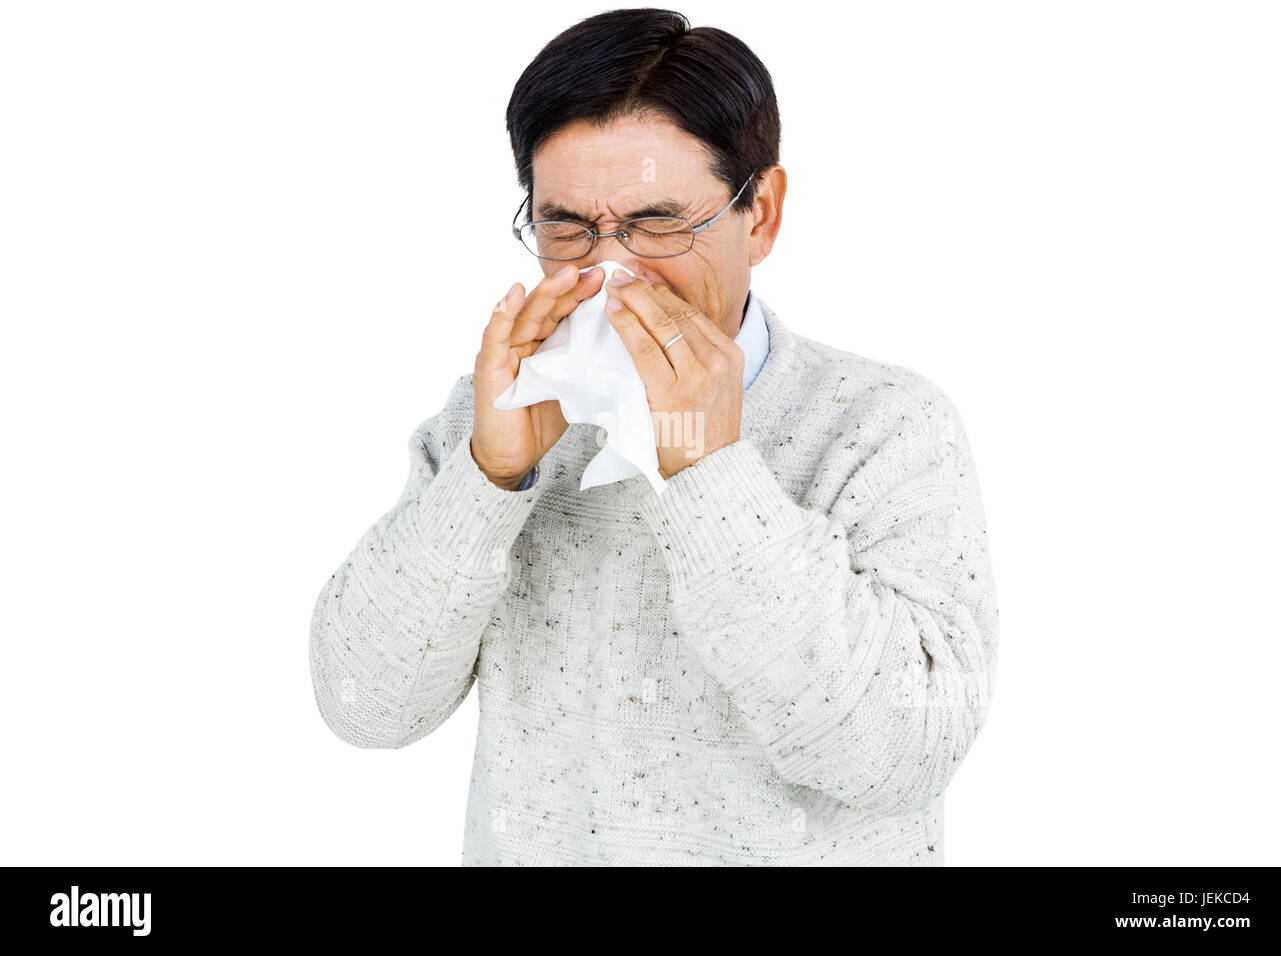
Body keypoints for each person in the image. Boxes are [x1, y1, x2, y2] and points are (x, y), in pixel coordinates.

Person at [308, 7, 999, 866]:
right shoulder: (488, 421)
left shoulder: (884, 425)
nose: (611, 271)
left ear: (764, 215)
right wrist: (486, 480)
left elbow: (899, 755)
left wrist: (708, 465)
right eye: (568, 227)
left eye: (658, 221)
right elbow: (363, 705)